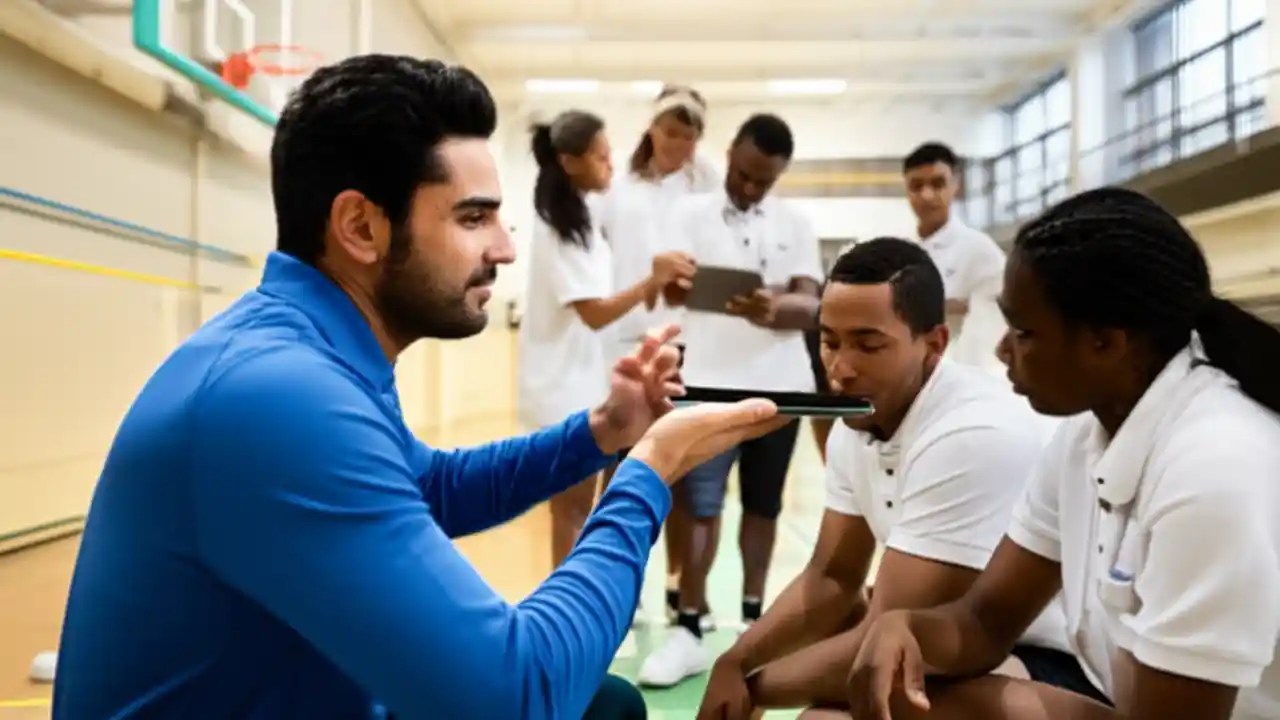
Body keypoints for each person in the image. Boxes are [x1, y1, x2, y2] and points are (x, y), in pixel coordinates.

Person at [50, 55, 788, 720]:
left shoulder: (308, 350)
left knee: (606, 704)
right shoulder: (278, 397)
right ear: (361, 227)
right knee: (582, 700)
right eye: (474, 218)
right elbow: (517, 697)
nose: (504, 247)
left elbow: (428, 485)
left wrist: (602, 432)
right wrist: (648, 472)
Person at [846, 187, 1280, 720]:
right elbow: (985, 620)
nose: (1002, 349)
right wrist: (906, 627)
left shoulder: (1212, 470)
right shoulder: (1082, 436)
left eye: (1024, 333)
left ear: (1106, 343)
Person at [694, 237, 1072, 719]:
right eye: (829, 342)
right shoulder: (857, 423)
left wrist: (751, 689)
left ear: (934, 344)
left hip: (1052, 657)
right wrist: (734, 661)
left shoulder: (972, 432)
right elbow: (832, 576)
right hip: (947, 649)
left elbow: (886, 641)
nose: (841, 369)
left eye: (868, 345)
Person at [637, 113, 823, 688]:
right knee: (701, 505)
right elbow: (672, 287)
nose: (748, 187)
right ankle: (689, 628)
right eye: (742, 174)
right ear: (730, 156)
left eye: (762, 181)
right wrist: (683, 279)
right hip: (708, 383)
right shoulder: (687, 213)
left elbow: (813, 303)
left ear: (779, 174)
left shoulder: (796, 222)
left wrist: (776, 307)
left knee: (764, 506)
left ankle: (753, 622)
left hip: (782, 387)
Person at [517, 109, 696, 568]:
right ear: (570, 161)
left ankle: (577, 601)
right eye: (601, 156)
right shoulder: (558, 227)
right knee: (573, 511)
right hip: (560, 389)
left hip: (581, 381)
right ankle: (567, 609)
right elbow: (594, 313)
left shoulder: (581, 220)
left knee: (581, 508)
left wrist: (652, 285)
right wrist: (649, 282)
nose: (611, 164)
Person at [596, 84, 718, 623]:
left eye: (689, 135)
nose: (679, 143)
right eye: (671, 131)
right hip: (626, 342)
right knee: (621, 469)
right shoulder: (618, 190)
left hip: (691, 343)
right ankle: (622, 589)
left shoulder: (711, 187)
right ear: (652, 129)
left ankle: (677, 585)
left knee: (684, 474)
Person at [903, 142, 1006, 375]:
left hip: (962, 372)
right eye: (916, 186)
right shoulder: (898, 249)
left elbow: (987, 330)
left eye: (937, 184)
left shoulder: (981, 252)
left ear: (955, 185)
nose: (927, 195)